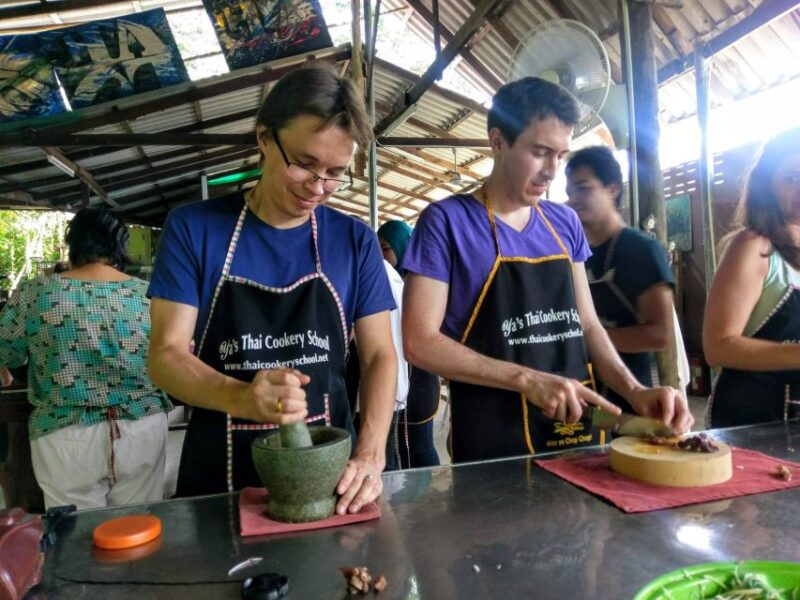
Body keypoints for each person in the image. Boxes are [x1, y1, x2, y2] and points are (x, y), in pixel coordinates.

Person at [147, 64, 397, 515]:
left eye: (336, 172)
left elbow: (380, 355)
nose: (318, 187)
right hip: (218, 483)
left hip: (329, 478)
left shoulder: (355, 240)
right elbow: (165, 357)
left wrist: (371, 453)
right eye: (304, 163)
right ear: (264, 137)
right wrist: (242, 397)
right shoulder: (194, 228)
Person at [402, 77, 693, 463]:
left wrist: (634, 390)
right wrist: (527, 380)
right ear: (498, 141)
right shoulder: (447, 222)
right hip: (491, 442)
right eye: (540, 152)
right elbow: (419, 341)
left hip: (573, 432)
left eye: (560, 154)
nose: (552, 170)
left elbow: (587, 325)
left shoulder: (564, 224)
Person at [0, 207, 172, 509]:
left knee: (77, 537)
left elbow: (7, 350)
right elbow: (176, 355)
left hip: (64, 431)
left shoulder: (36, 293)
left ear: (74, 244)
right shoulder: (148, 294)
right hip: (141, 425)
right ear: (121, 246)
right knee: (139, 530)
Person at [566, 146, 676, 413]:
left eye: (583, 188)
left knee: (630, 451)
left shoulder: (640, 249)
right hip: (590, 393)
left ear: (612, 189)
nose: (573, 199)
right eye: (570, 192)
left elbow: (659, 335)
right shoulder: (575, 252)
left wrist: (586, 339)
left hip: (635, 394)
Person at [703, 127, 800, 427]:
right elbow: (717, 346)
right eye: (791, 178)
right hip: (753, 422)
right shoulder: (754, 247)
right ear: (767, 185)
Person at [378, 220, 440, 468]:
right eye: (378, 248)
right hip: (399, 374)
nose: (381, 255)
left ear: (402, 245)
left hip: (421, 378)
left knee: (420, 445)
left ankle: (425, 501)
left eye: (386, 248)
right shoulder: (380, 280)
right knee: (401, 446)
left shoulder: (423, 281)